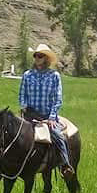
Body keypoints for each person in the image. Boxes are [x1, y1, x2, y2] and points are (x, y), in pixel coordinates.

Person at [17, 44, 75, 182]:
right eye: (35, 55)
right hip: (29, 114)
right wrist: (25, 107)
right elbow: (22, 95)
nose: (37, 58)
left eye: (40, 55)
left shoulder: (54, 76)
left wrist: (51, 117)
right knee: (9, 133)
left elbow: (58, 98)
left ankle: (65, 166)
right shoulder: (27, 75)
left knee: (58, 136)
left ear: (46, 58)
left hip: (47, 116)